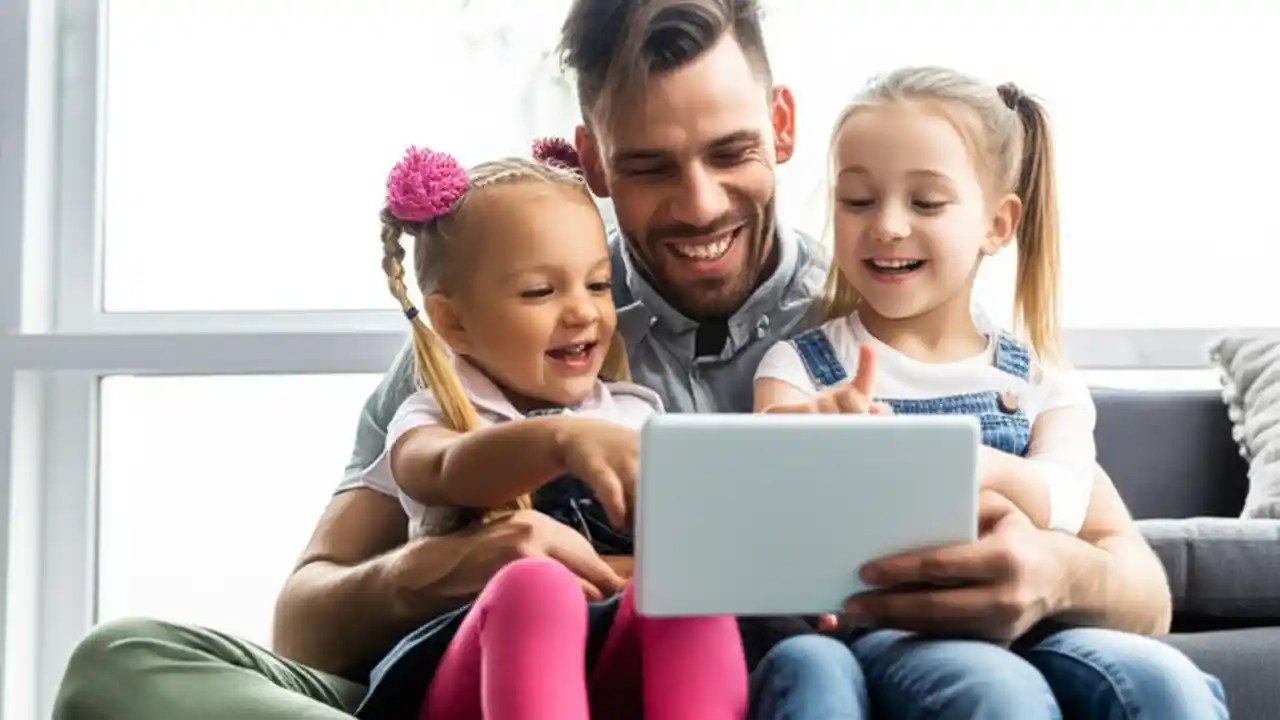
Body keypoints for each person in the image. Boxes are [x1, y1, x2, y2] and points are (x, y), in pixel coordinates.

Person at [51, 2, 1201, 718]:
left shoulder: (866, 310)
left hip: (763, 684)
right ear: (595, 159)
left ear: (786, 128)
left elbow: (1134, 576)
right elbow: (304, 618)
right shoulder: (518, 313)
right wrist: (452, 568)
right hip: (499, 673)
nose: (698, 204)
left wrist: (1057, 578)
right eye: (650, 165)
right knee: (127, 663)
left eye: (732, 152)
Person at [749, 66, 1230, 719]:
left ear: (997, 225)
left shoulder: (1038, 381)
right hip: (892, 632)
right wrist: (815, 440)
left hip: (1050, 625)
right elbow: (759, 511)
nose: (886, 225)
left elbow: (1066, 496)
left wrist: (959, 465)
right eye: (857, 200)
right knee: (999, 694)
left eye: (925, 203)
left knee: (1166, 685)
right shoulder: (802, 367)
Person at [353, 144, 747, 720]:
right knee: (535, 588)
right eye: (541, 291)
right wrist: (561, 440)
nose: (583, 312)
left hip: (606, 671)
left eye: (597, 285)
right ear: (454, 321)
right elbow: (439, 469)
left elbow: (691, 548)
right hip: (475, 675)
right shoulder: (439, 414)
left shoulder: (636, 415)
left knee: (688, 591)